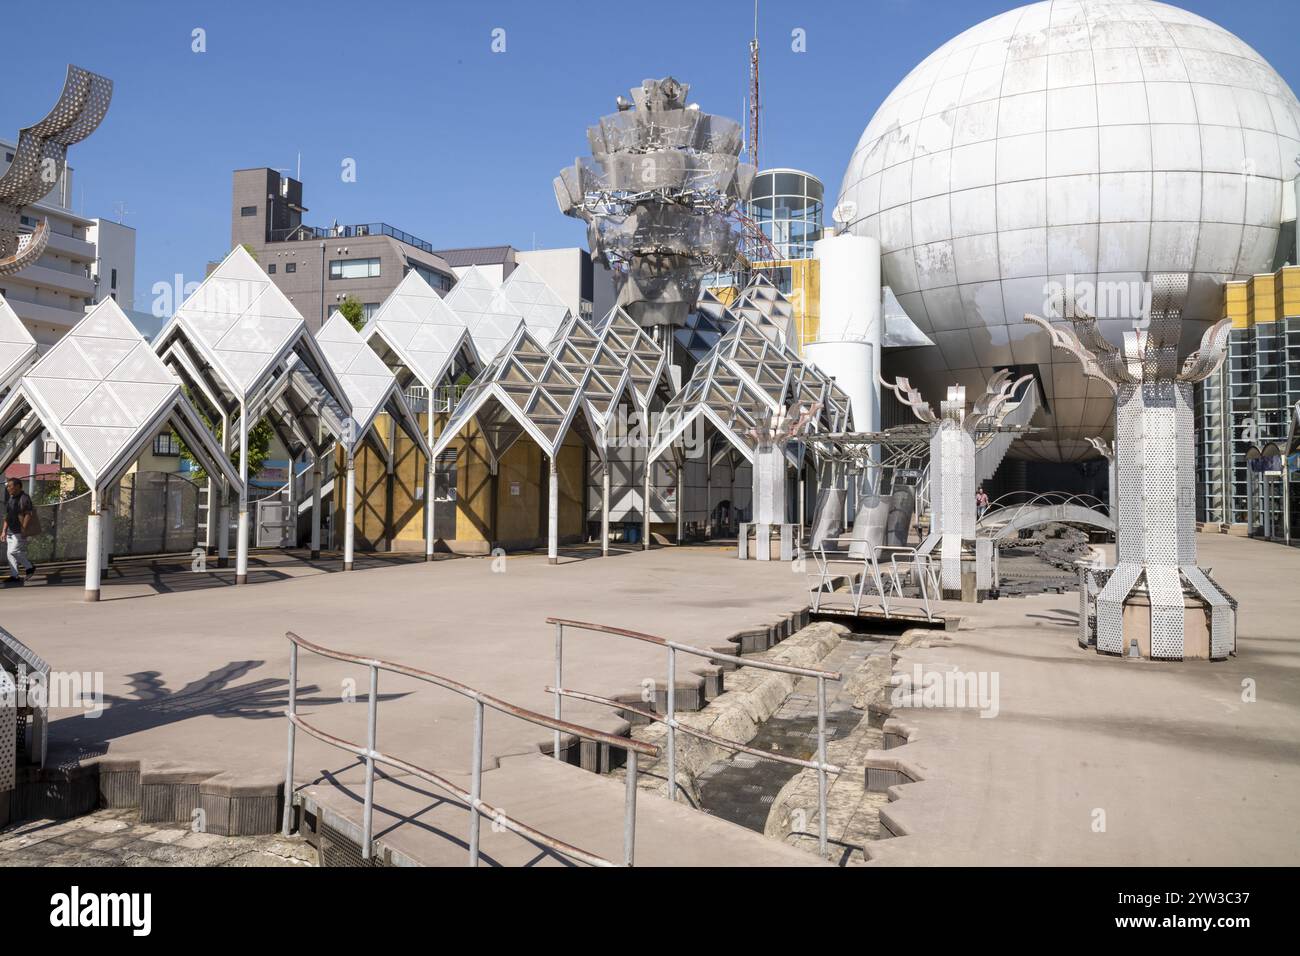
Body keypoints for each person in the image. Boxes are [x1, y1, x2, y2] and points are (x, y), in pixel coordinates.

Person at [3, 477, 38, 583]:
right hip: (10, 530)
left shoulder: (24, 498)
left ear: (17, 486)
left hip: (19, 530)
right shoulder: (11, 498)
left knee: (14, 551)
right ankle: (15, 576)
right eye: (7, 486)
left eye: (10, 486)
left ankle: (29, 566)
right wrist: (4, 530)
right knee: (10, 554)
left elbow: (28, 514)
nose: (8, 488)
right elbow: (7, 515)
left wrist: (24, 529)